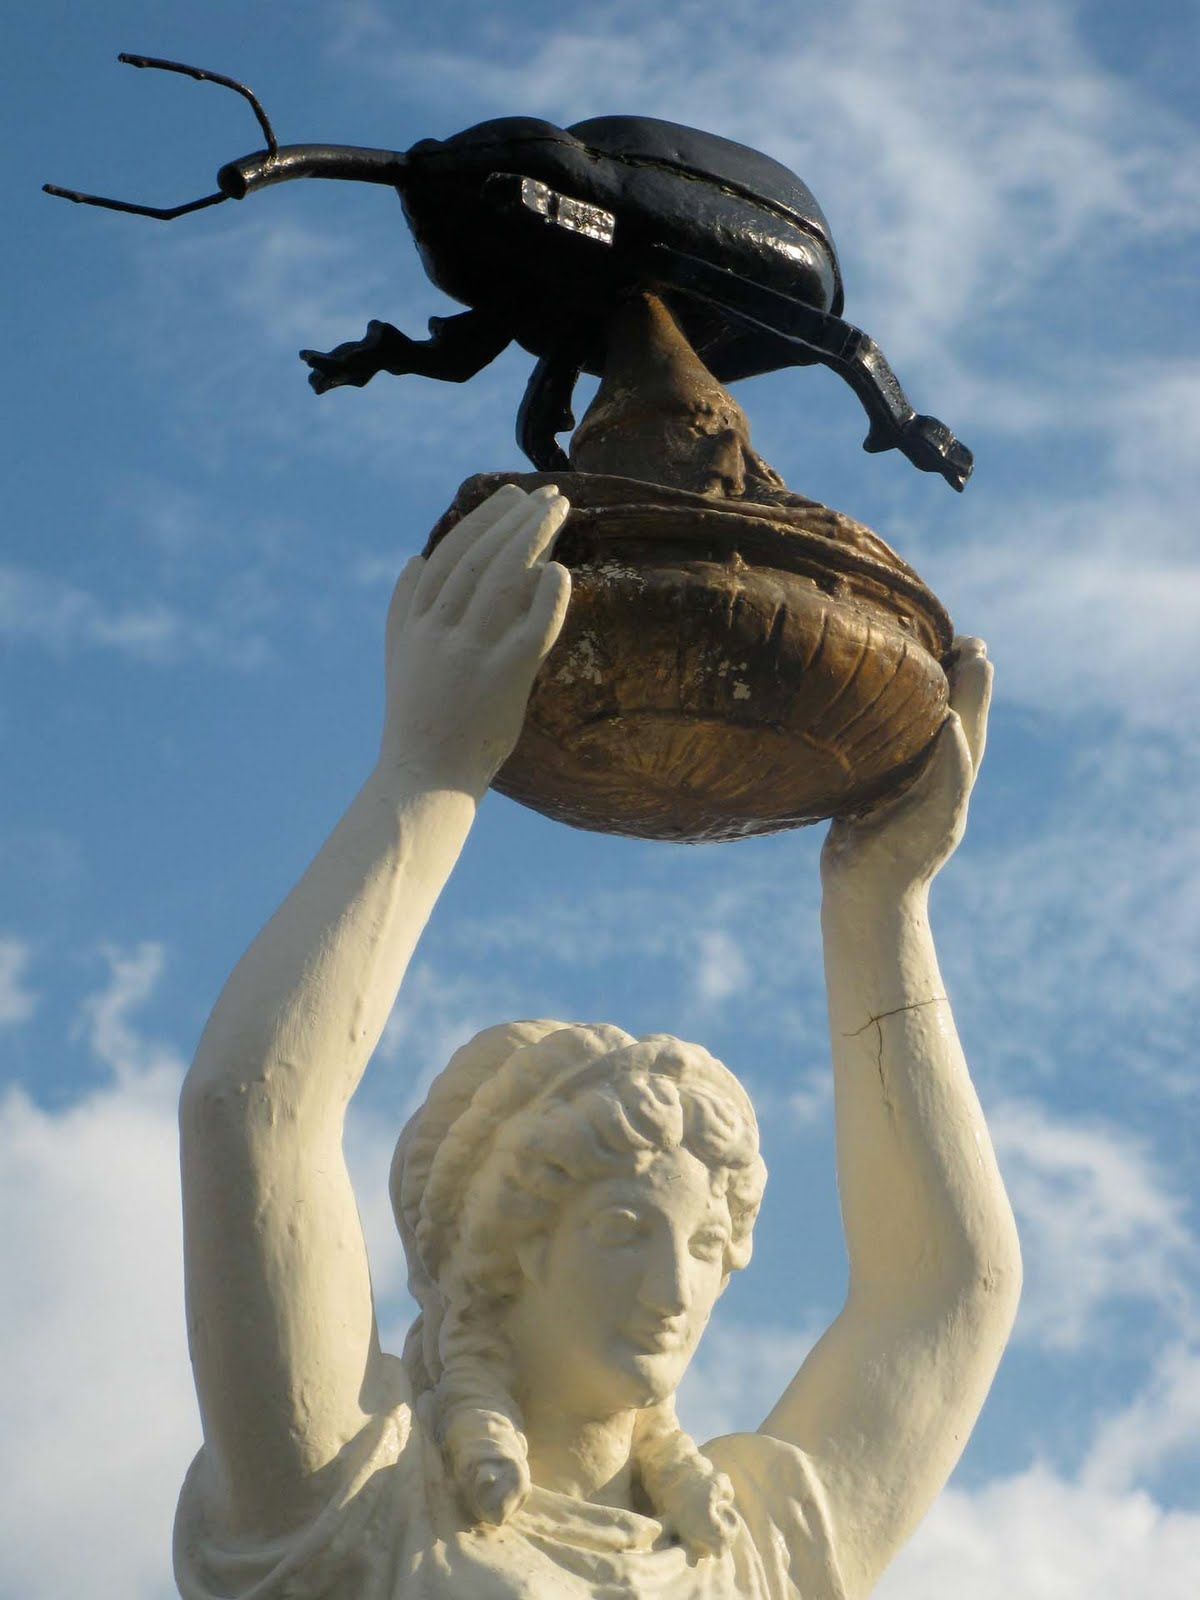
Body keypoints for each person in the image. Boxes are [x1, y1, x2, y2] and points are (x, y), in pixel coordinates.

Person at [174, 484, 1021, 1599]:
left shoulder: (745, 1558)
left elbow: (950, 1288)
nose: (676, 1284)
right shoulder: (356, 1502)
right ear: (501, 1253)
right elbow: (251, 1115)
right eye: (625, 1228)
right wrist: (427, 776)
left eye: (705, 1243)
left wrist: (882, 907)